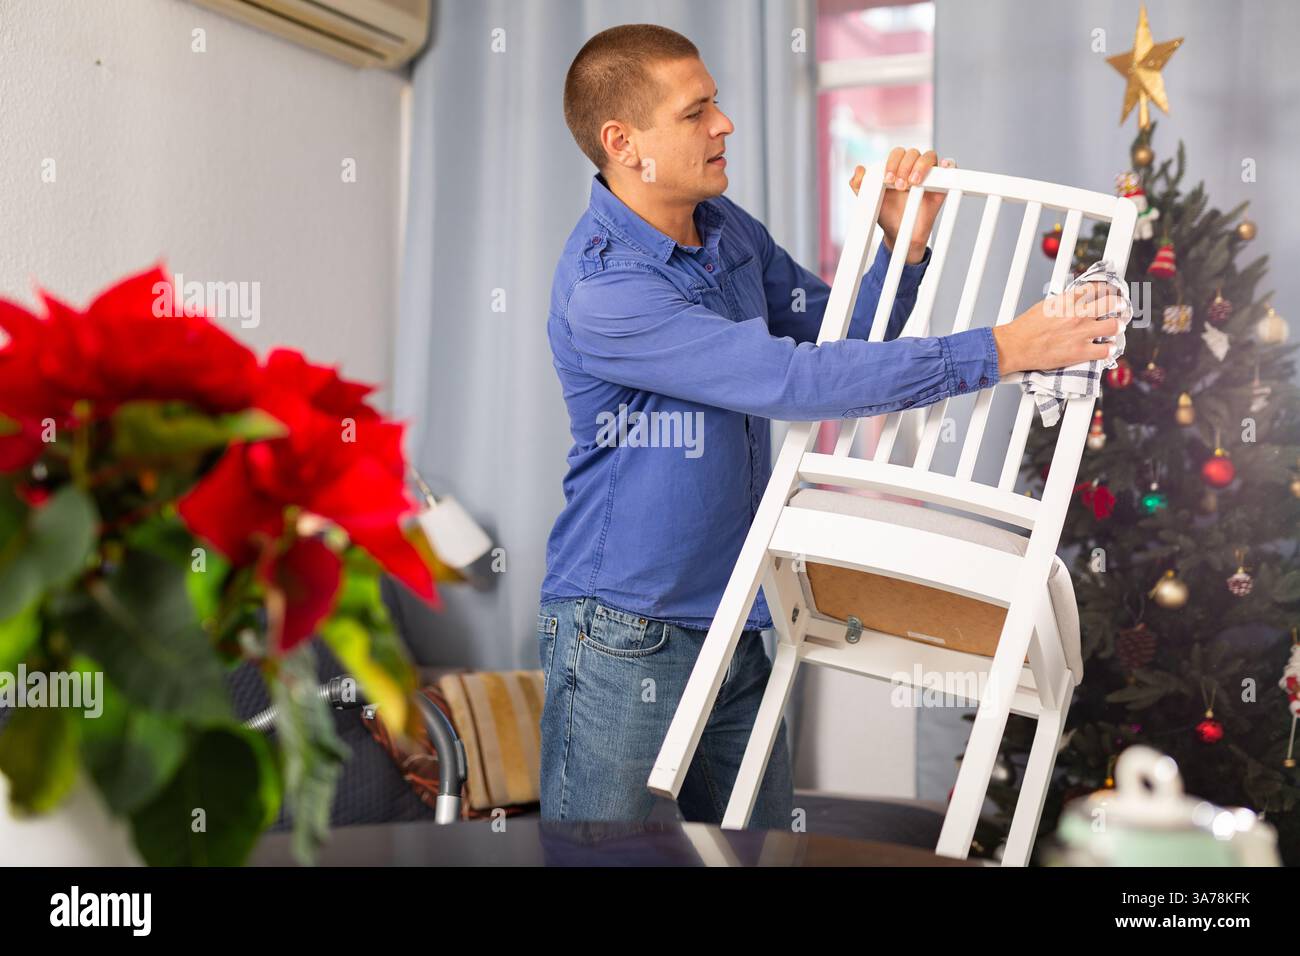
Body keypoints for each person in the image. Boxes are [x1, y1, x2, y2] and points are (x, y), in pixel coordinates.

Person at [536, 23, 1121, 828]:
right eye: (696, 110)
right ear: (623, 142)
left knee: (759, 850)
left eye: (719, 102)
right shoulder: (607, 293)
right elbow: (795, 380)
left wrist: (900, 245)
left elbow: (841, 339)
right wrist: (1003, 348)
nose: (724, 123)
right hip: (621, 634)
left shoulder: (724, 228)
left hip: (738, 616)